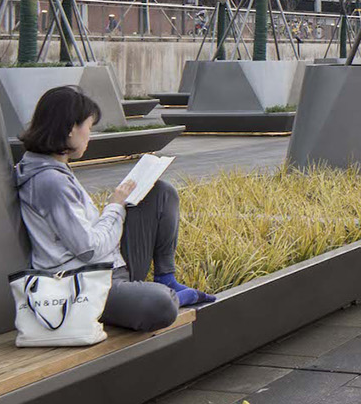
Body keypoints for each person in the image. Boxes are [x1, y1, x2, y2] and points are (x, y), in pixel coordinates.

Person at [14, 86, 212, 332]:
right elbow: (89, 250)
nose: (90, 135)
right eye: (88, 126)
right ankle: (168, 294)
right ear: (70, 129)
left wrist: (118, 204)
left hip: (107, 268)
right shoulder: (49, 182)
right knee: (160, 304)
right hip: (84, 284)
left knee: (160, 193)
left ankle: (166, 279)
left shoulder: (51, 168)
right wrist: (114, 207)